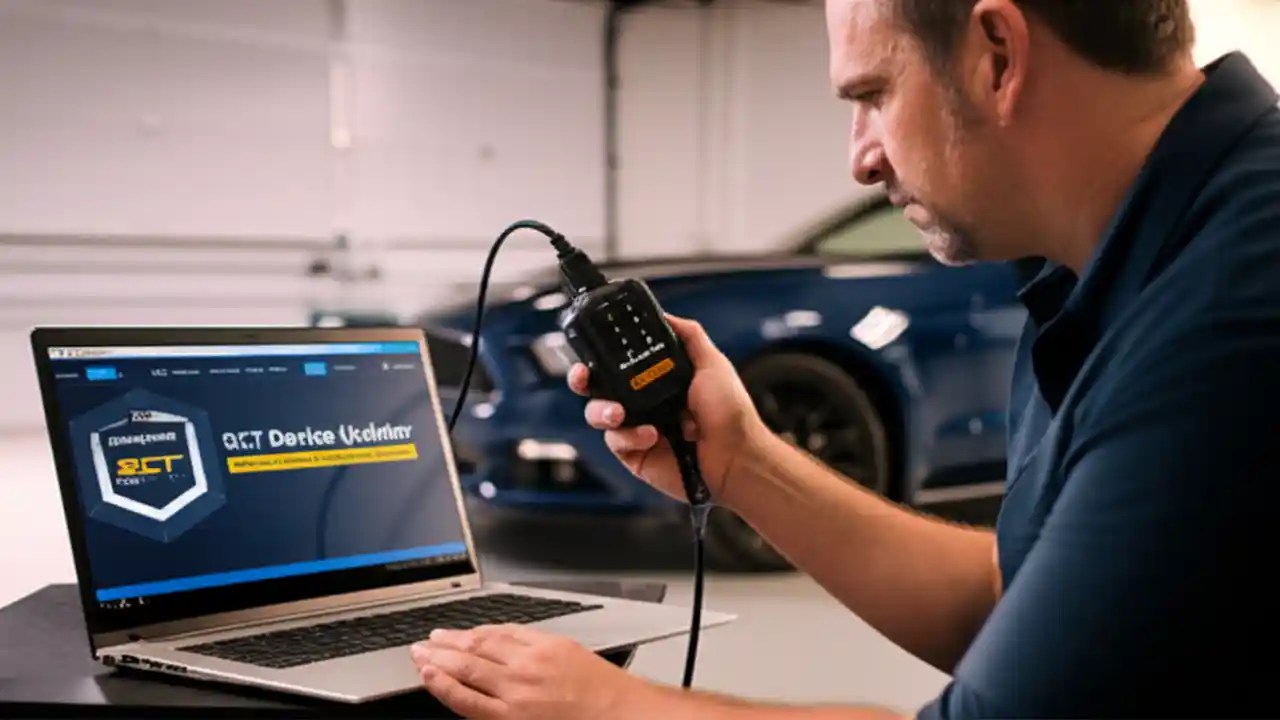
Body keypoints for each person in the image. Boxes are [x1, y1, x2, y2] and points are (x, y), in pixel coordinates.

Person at [409, 0, 1280, 717]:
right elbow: (1018, 599)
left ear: (997, 56)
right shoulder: (1117, 265)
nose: (860, 156)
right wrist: (743, 462)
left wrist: (607, 707)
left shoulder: (1232, 311)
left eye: (872, 94)